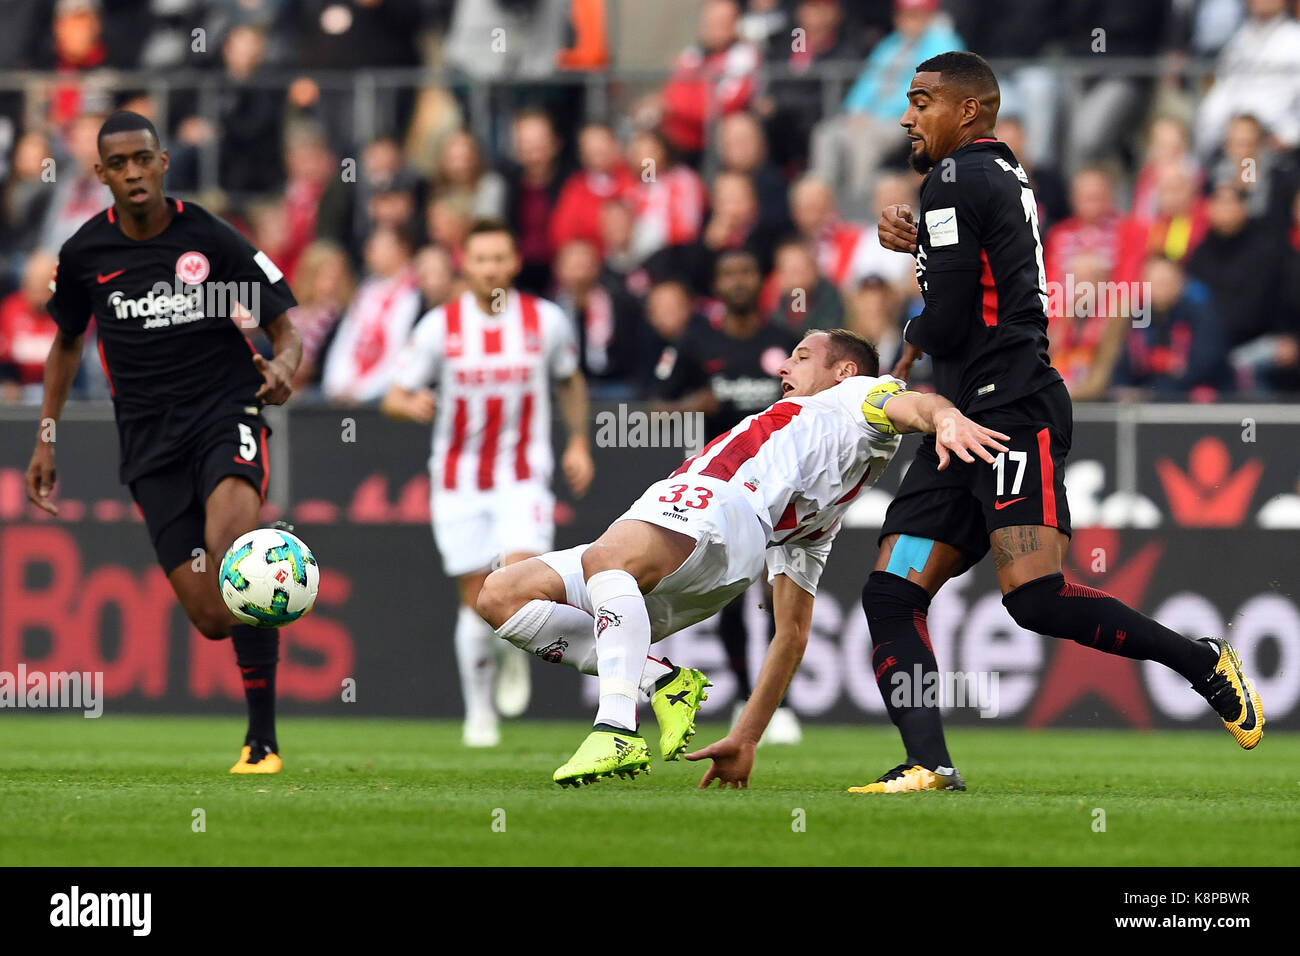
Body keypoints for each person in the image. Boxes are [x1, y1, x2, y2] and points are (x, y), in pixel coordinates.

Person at [865, 52, 1264, 794]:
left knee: (1034, 597)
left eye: (922, 102)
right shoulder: (1000, 171)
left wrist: (897, 368)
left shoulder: (951, 178)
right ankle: (929, 762)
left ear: (969, 111)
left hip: (1007, 404)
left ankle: (1202, 662)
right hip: (964, 415)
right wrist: (924, 243)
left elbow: (951, 314)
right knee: (892, 592)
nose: (906, 116)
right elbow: (981, 275)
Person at [478, 329, 1008, 786]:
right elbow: (792, 633)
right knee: (501, 595)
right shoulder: (820, 509)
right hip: (718, 544)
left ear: (844, 371)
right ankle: (661, 680)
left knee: (607, 560)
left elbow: (913, 404)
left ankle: (616, 729)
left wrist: (944, 418)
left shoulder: (856, 394)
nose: (783, 365)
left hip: (717, 507)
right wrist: (746, 737)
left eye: (802, 356)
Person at [27, 110, 302, 774]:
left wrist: (285, 370)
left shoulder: (209, 237)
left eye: (142, 160)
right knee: (212, 614)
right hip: (148, 438)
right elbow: (66, 343)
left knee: (235, 552)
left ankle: (262, 742)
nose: (133, 173)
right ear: (102, 175)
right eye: (118, 165)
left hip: (224, 410)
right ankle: (261, 602)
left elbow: (284, 329)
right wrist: (46, 436)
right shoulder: (85, 254)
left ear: (162, 163)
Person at [381, 219, 595, 747]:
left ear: (515, 262)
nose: (492, 268)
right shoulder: (439, 327)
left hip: (523, 477)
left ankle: (509, 644)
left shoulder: (545, 321)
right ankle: (479, 712)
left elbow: (570, 381)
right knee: (475, 598)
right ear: (466, 265)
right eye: (481, 259)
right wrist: (411, 403)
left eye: (500, 258)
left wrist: (578, 443)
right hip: (458, 483)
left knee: (519, 582)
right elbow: (392, 396)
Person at [656, 249, 799, 741]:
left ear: (761, 280)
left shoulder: (786, 342)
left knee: (780, 588)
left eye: (747, 271)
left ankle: (782, 703)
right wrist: (691, 406)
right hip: (718, 488)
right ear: (716, 285)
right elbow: (654, 409)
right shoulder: (696, 341)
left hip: (781, 485)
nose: (738, 281)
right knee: (735, 591)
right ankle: (743, 692)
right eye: (728, 274)